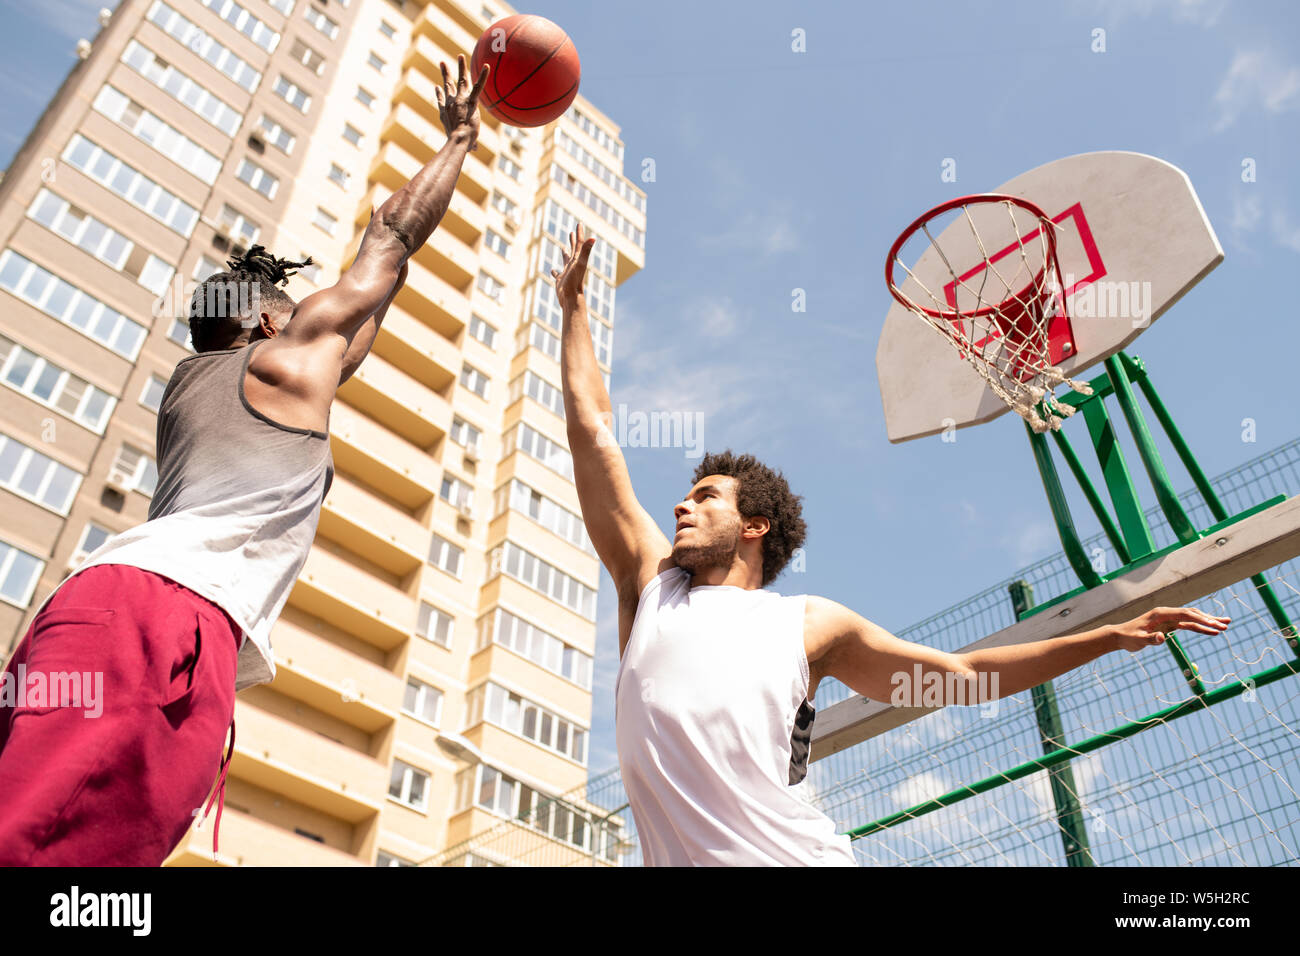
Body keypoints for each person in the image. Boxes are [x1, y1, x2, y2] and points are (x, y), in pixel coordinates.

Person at [549, 223, 1233, 866]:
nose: (681, 504)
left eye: (706, 498)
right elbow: (594, 432)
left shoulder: (809, 624)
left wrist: (1109, 636)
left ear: (753, 527)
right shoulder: (652, 581)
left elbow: (964, 679)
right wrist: (574, 307)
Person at [0, 57, 489, 866]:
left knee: (90, 875)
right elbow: (388, 240)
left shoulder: (204, 385)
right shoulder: (279, 362)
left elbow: (373, 299)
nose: (319, 324)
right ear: (269, 323)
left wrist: (387, 275)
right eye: (298, 312)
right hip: (158, 617)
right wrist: (460, 141)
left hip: (145, 621)